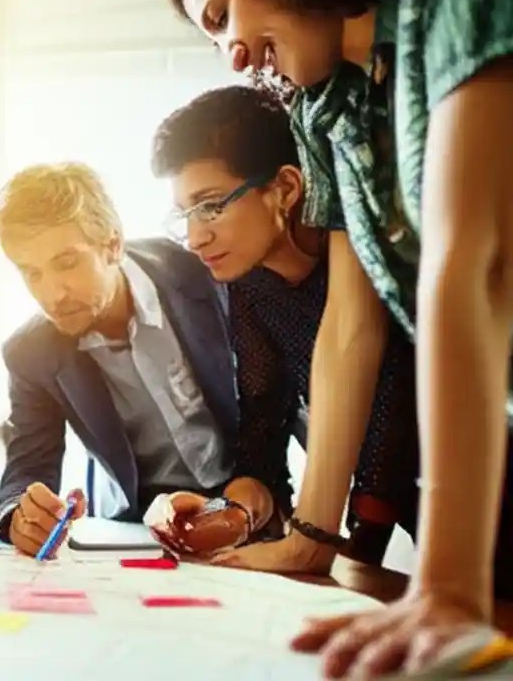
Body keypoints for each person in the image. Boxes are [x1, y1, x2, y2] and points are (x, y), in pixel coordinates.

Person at [169, 0, 513, 676]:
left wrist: (446, 586)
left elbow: (476, 269)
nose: (232, 53)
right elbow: (349, 330)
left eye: (224, 13)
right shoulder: (324, 110)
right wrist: (310, 538)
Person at [147, 85, 420, 566]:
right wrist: (228, 515)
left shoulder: (360, 256)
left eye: (210, 205)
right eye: (184, 214)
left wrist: (336, 551)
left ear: (287, 188)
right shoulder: (249, 282)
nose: (194, 237)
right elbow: (262, 428)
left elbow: (395, 408)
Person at [0, 162, 245, 559]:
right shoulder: (30, 353)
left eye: (67, 262)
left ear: (112, 245)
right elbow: (29, 463)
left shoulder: (200, 271)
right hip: (140, 530)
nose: (52, 294)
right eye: (32, 273)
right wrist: (19, 516)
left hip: (246, 509)